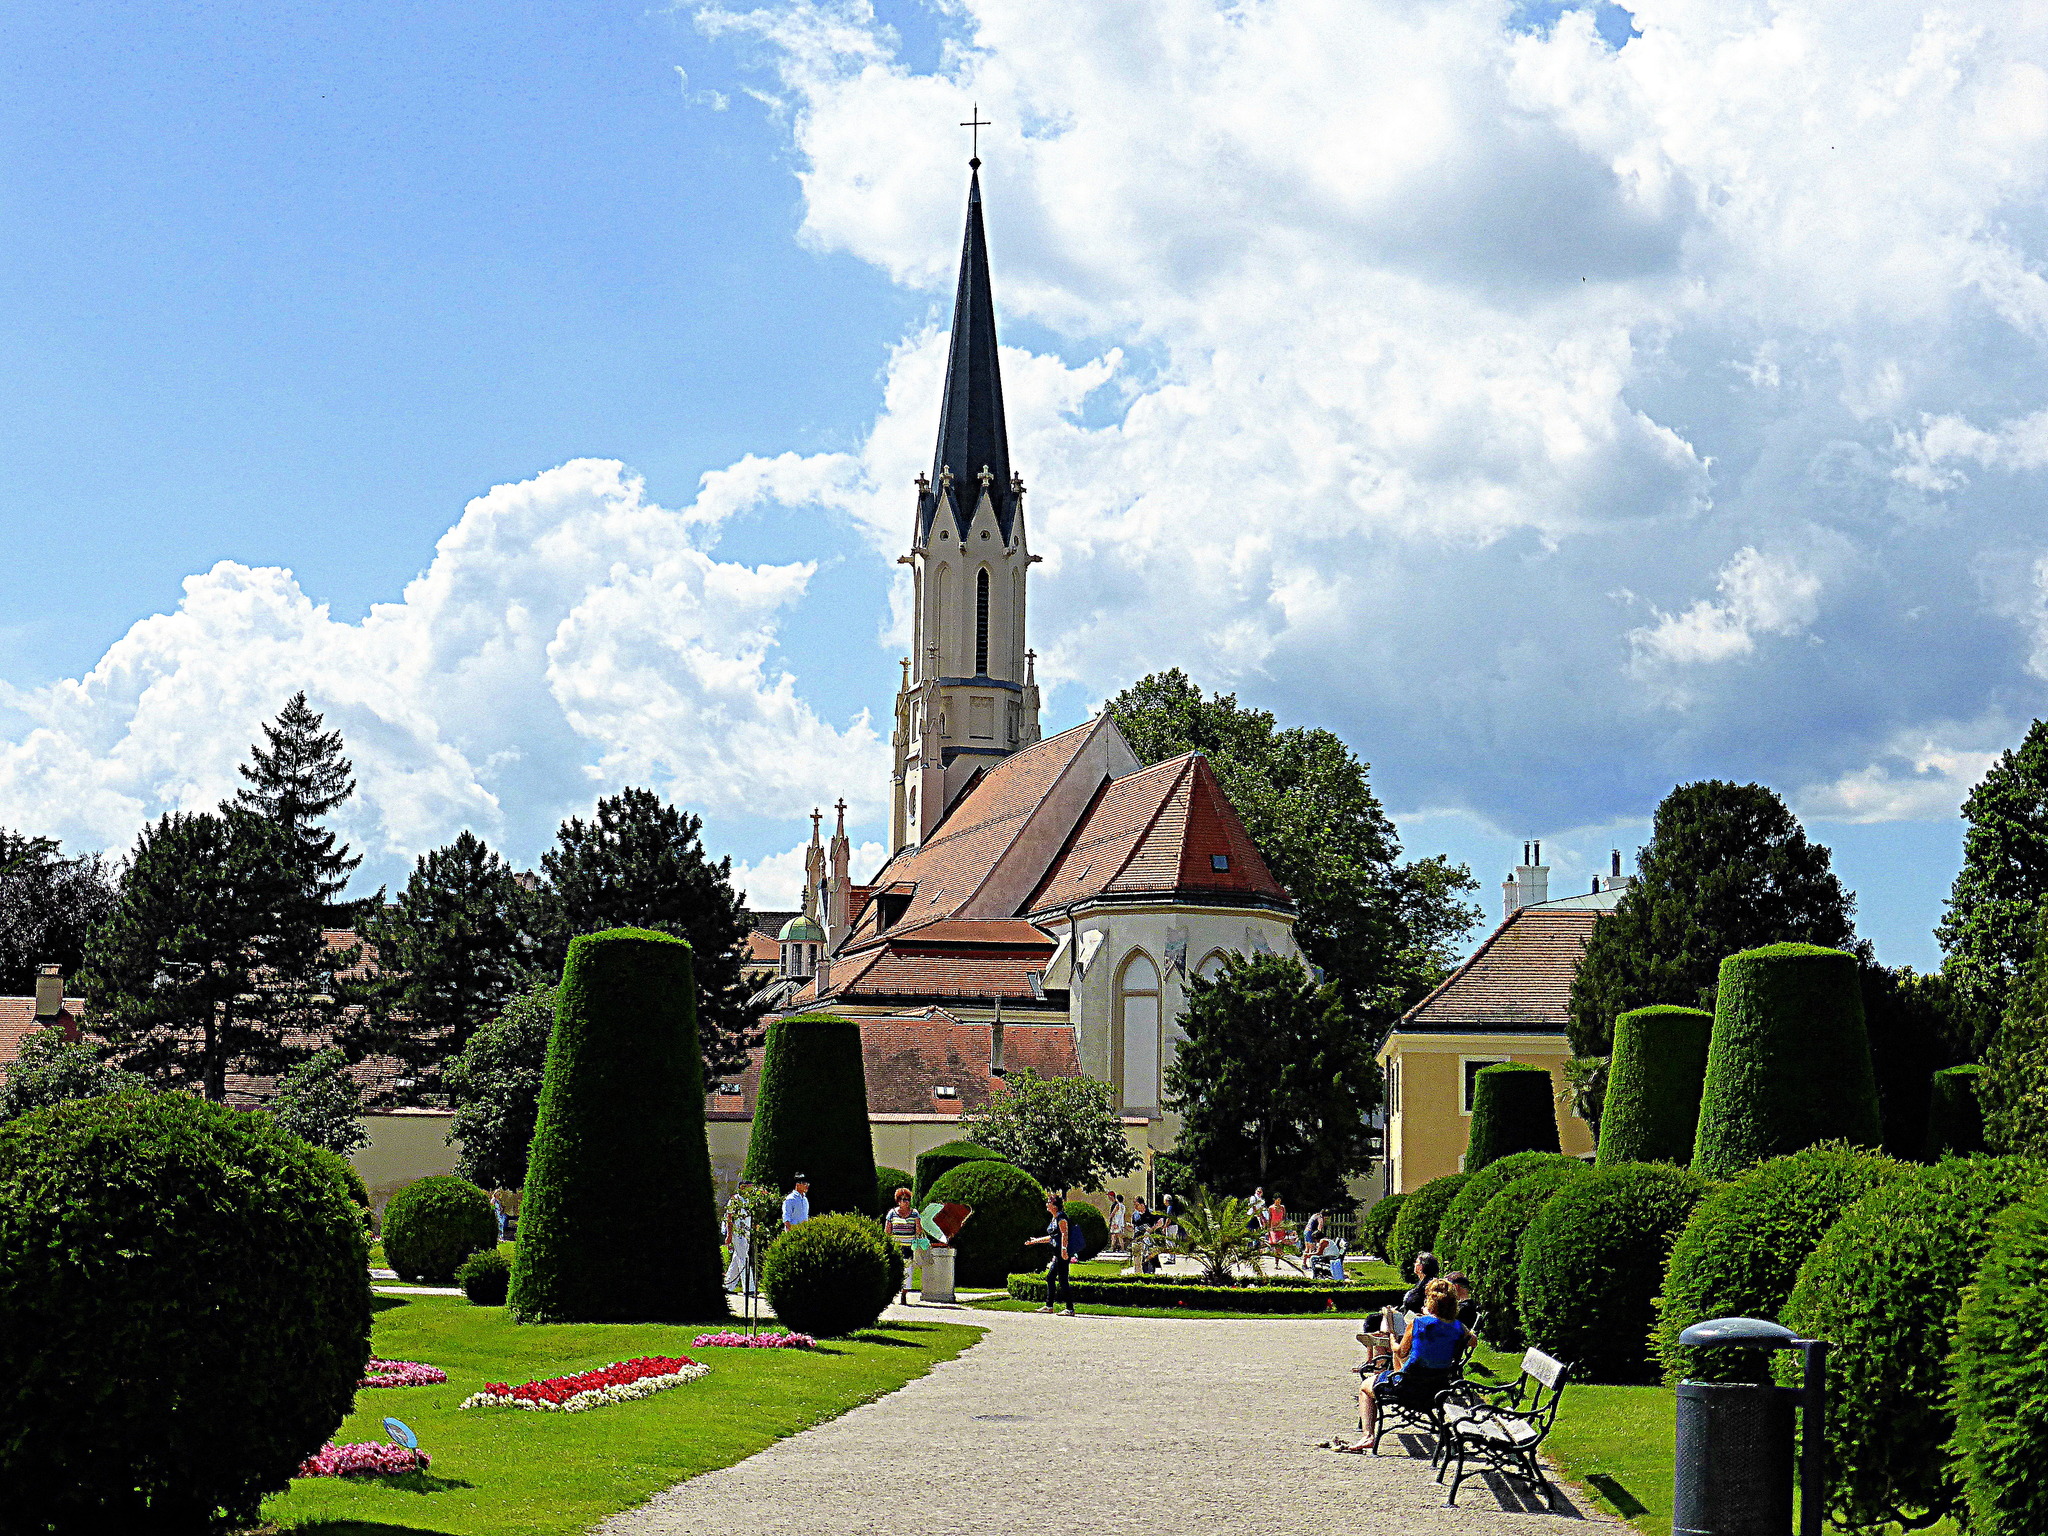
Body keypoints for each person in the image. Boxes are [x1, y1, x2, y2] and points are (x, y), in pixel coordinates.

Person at [1348, 1278, 1471, 1448]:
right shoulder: (1458, 1327)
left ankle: (1368, 1436)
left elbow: (1399, 1351)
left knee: (1365, 1387)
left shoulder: (1418, 1323)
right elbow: (1473, 1341)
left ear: (1430, 1301)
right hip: (1436, 1389)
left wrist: (1391, 1338)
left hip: (1406, 1386)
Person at [1025, 1190, 1079, 1316]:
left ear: (1054, 1205)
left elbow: (1065, 1234)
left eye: (1049, 1202)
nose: (1046, 1204)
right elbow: (1053, 1237)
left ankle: (1069, 1308)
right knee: (1051, 1277)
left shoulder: (1061, 1217)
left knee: (1063, 1280)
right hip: (1057, 1254)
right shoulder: (1054, 1218)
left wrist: (1064, 1250)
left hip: (1062, 1254)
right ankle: (1049, 1306)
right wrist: (1035, 1241)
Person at [884, 1186, 924, 1305]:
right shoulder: (892, 1213)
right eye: (902, 1199)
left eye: (907, 1199)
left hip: (908, 1247)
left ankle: (904, 1294)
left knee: (908, 1271)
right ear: (898, 1201)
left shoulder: (914, 1213)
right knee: (894, 1270)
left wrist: (918, 1223)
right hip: (896, 1247)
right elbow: (887, 1230)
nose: (905, 1201)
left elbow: (919, 1230)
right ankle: (891, 1293)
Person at [722, 1190, 755, 1296]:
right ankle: (749, 1288)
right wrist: (729, 1235)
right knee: (743, 1258)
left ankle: (728, 1284)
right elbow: (729, 1218)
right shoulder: (734, 1200)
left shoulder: (751, 1200)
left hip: (747, 1233)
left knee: (737, 1257)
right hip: (738, 1233)